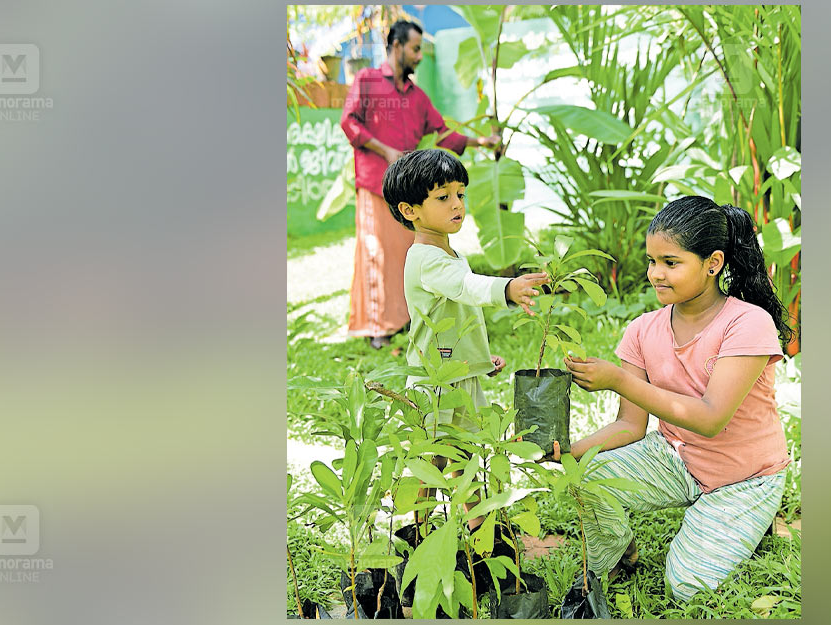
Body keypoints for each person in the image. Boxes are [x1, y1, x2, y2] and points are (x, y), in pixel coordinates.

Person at [552, 195, 795, 602]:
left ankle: (753, 518)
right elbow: (631, 426)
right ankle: (618, 555)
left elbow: (710, 418)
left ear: (713, 263)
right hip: (675, 455)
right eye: (651, 261)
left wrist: (616, 380)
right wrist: (569, 452)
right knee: (588, 477)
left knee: (685, 585)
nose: (655, 274)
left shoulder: (747, 324)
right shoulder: (643, 330)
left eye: (671, 262)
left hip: (745, 476)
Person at [382, 149, 548, 526]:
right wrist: (506, 288)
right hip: (436, 386)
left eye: (460, 194)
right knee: (430, 460)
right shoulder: (426, 258)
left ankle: (481, 538)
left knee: (469, 460)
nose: (457, 204)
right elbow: (466, 287)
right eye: (443, 197)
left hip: (461, 377)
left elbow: (457, 311)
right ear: (410, 210)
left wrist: (479, 361)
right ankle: (418, 535)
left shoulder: (448, 251)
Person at [340, 20, 500, 349]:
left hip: (411, 191)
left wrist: (483, 142)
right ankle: (378, 329)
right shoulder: (367, 81)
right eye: (415, 49)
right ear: (396, 46)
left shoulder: (417, 96)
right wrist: (386, 152)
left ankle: (403, 319)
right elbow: (349, 122)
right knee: (379, 255)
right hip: (375, 184)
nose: (419, 56)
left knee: (405, 256)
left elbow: (443, 133)